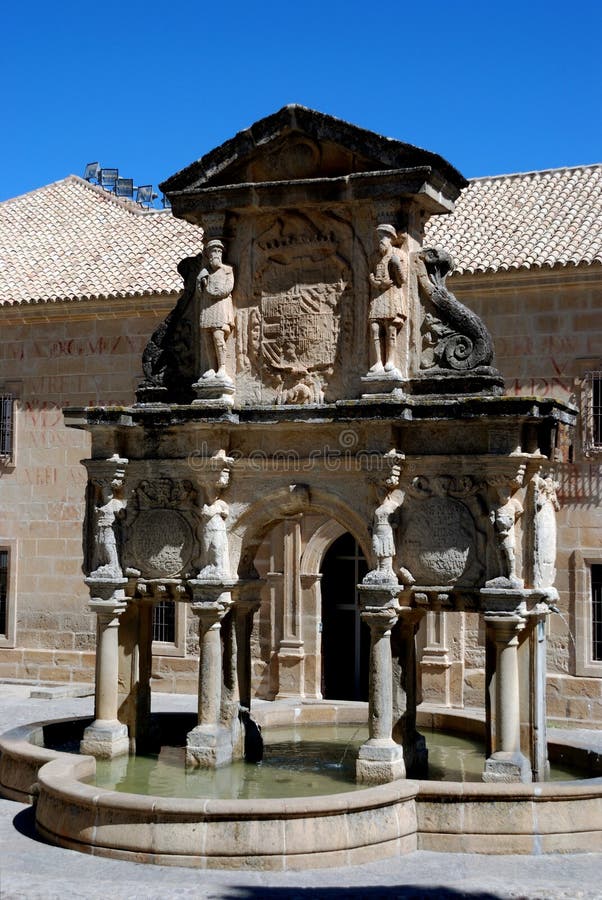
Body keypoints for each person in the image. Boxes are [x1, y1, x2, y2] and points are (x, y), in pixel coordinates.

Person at [368, 224, 406, 374]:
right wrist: (375, 282)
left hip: (392, 296)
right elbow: (370, 273)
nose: (381, 242)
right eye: (379, 238)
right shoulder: (374, 256)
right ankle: (378, 362)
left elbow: (402, 280)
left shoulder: (399, 254)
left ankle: (390, 360)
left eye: (383, 238)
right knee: (375, 328)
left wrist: (396, 265)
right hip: (377, 296)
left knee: (391, 329)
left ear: (390, 239)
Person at [197, 240, 235, 380]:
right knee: (207, 337)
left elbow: (228, 288)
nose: (215, 254)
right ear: (208, 255)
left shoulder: (228, 270)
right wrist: (200, 281)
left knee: (218, 336)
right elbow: (199, 292)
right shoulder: (205, 272)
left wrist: (215, 293)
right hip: (208, 306)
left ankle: (222, 367)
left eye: (218, 252)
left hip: (220, 306)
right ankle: (212, 367)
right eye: (212, 252)